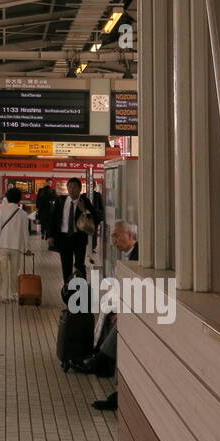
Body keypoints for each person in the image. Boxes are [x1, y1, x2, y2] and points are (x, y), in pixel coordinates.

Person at [90, 221, 136, 410]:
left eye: (117, 235)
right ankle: (101, 360)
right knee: (111, 318)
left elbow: (139, 290)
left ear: (131, 236)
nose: (114, 240)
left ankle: (101, 359)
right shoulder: (126, 255)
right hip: (129, 308)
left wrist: (123, 311)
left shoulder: (139, 256)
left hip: (139, 311)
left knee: (120, 327)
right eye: (113, 236)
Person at [47, 176, 97, 302]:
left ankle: (82, 293)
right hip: (64, 238)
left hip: (79, 238)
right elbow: (52, 218)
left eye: (74, 187)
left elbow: (96, 217)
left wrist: (84, 211)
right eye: (69, 186)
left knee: (79, 265)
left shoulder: (84, 201)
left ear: (80, 189)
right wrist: (50, 235)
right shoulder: (61, 201)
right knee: (66, 266)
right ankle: (68, 293)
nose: (71, 189)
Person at [0, 186, 31, 302]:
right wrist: (27, 248)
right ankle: (13, 294)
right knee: (14, 272)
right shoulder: (22, 214)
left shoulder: (1, 210)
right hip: (16, 246)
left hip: (2, 245)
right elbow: (25, 233)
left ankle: (4, 295)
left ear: (7, 198)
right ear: (19, 200)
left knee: (3, 271)